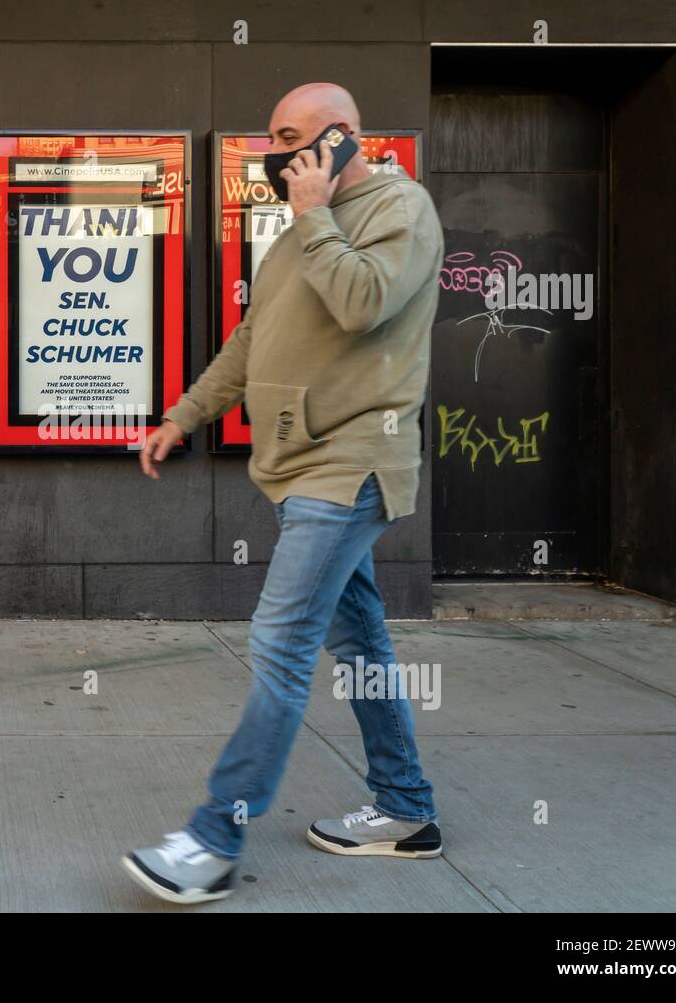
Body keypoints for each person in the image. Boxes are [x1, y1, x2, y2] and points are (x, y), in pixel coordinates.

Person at [122, 83, 443, 905]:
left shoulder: (401, 208)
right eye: (272, 138)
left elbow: (364, 302)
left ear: (342, 138)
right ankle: (407, 809)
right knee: (360, 642)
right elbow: (252, 336)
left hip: (352, 464)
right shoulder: (297, 234)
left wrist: (311, 215)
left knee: (280, 641)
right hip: (299, 467)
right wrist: (183, 416)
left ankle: (213, 838)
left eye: (292, 136)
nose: (277, 153)